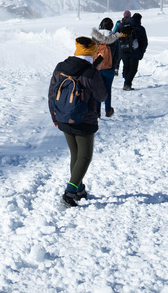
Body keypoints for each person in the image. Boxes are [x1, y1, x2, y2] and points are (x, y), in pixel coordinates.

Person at [48, 36, 108, 207]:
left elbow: (52, 92)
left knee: (75, 154)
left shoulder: (60, 67)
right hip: (84, 121)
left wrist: (55, 116)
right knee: (85, 156)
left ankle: (79, 188)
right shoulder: (90, 73)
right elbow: (102, 96)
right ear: (93, 53)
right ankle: (70, 192)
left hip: (63, 118)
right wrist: (97, 72)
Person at [91, 18, 121, 117]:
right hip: (109, 69)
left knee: (97, 89)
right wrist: (115, 66)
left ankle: (97, 111)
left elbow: (90, 53)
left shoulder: (94, 37)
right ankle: (108, 110)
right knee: (107, 89)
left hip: (96, 68)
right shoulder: (114, 38)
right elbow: (118, 55)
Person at [118, 11, 149, 90]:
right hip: (135, 51)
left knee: (126, 66)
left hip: (123, 49)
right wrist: (141, 52)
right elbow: (144, 42)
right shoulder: (140, 28)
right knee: (133, 68)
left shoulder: (123, 25)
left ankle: (126, 82)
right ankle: (127, 84)